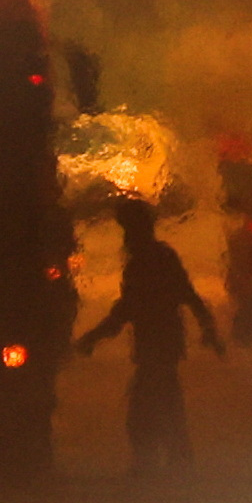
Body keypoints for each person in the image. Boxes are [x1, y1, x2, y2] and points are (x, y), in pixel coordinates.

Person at [76, 197, 222, 470]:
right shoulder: (162, 257)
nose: (126, 237)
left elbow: (127, 309)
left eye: (127, 229)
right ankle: (175, 461)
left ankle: (154, 463)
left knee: (145, 411)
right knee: (166, 404)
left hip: (157, 346)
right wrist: (208, 329)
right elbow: (188, 296)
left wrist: (92, 337)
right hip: (165, 345)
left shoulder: (144, 262)